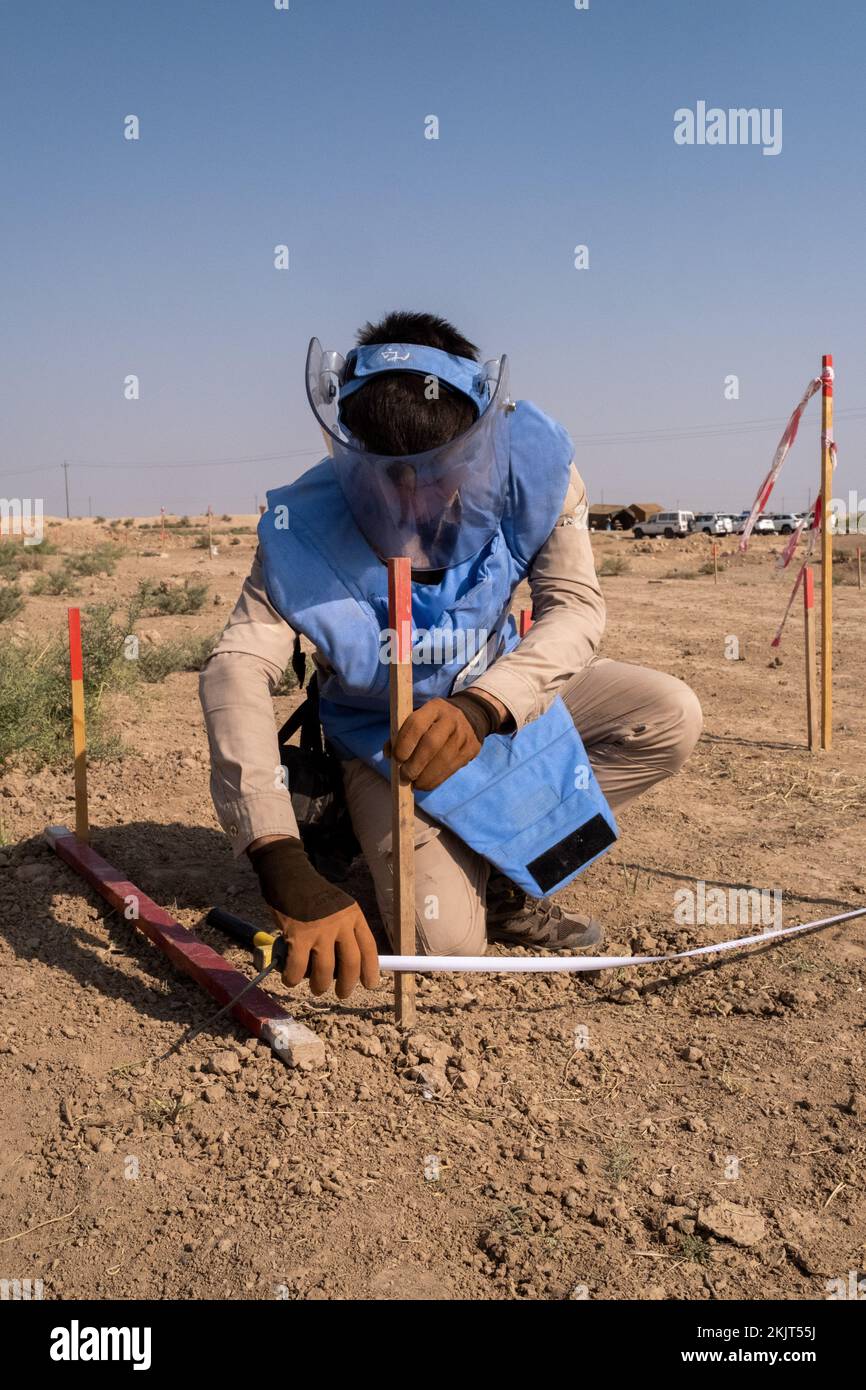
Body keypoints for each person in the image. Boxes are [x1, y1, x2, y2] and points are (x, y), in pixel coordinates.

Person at [200, 311, 702, 1000]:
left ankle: (497, 875)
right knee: (442, 946)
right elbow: (236, 667)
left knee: (667, 714)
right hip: (385, 740)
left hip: (495, 702)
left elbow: (575, 609)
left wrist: (485, 705)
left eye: (436, 472)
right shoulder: (302, 527)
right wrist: (278, 857)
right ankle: (361, 821)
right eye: (386, 474)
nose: (410, 497)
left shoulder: (539, 471)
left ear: (480, 437)